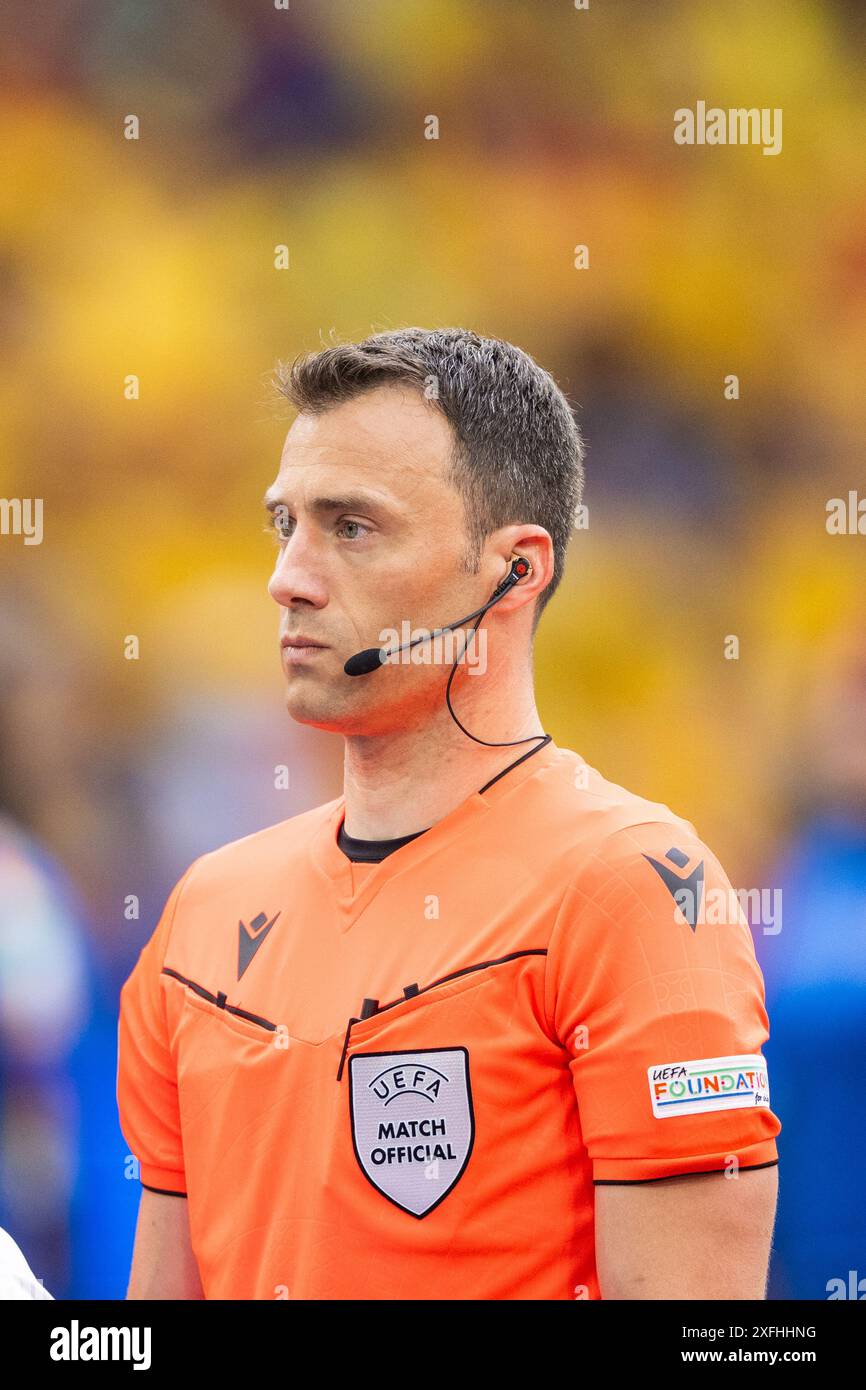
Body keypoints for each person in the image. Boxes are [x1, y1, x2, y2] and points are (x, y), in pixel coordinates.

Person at [117, 327, 780, 1300]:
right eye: (283, 523)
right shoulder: (205, 913)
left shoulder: (629, 891)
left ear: (513, 570)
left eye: (350, 526)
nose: (287, 576)